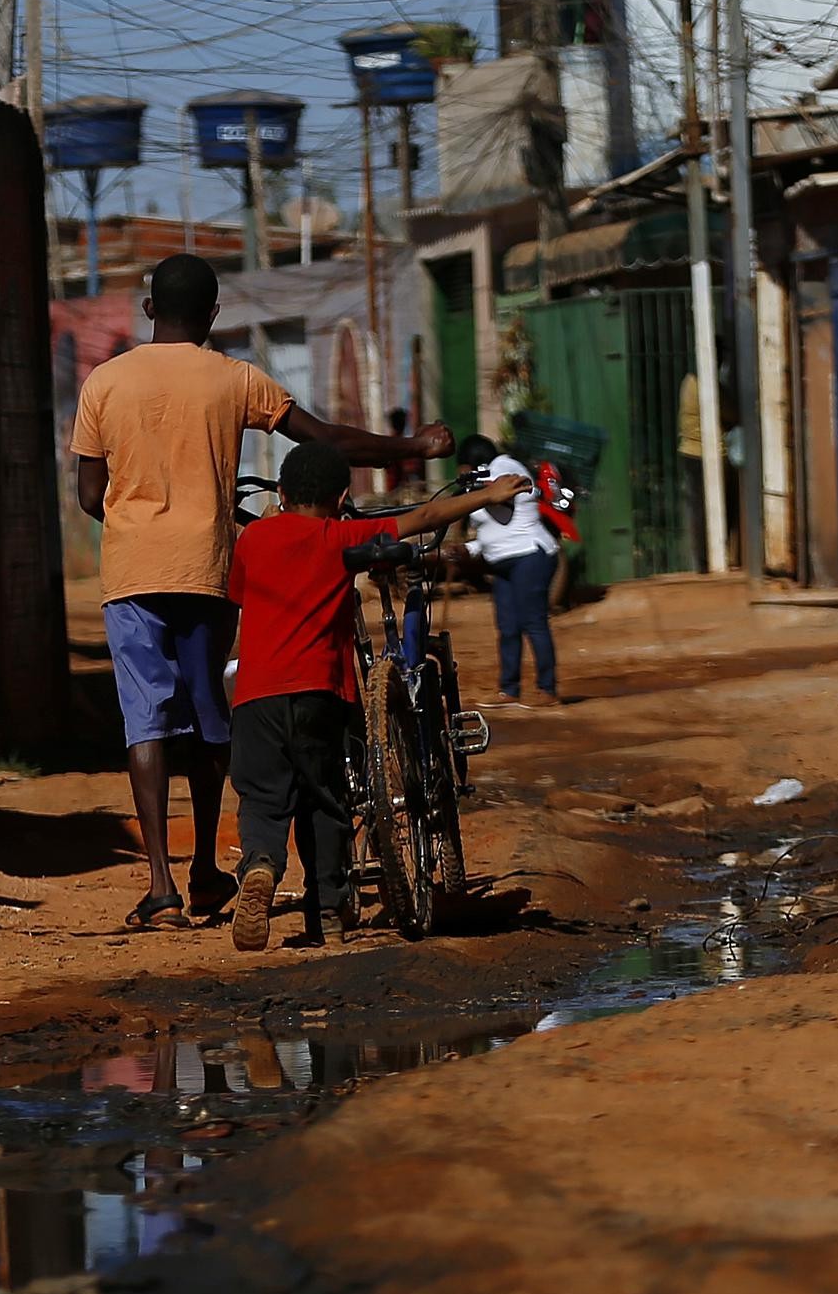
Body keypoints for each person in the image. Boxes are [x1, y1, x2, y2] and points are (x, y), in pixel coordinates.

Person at [71, 254, 449, 930]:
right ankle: (206, 870)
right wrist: (412, 446)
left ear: (150, 309)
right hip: (208, 568)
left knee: (146, 723)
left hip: (131, 575)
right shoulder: (235, 378)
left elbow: (88, 494)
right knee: (208, 718)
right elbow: (324, 441)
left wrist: (136, 523)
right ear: (214, 315)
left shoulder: (104, 382)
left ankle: (161, 890)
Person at [220, 441, 502, 951]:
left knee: (261, 800)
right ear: (341, 498)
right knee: (324, 800)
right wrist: (489, 494)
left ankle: (260, 865)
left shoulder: (253, 539)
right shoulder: (340, 536)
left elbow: (237, 596)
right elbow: (425, 517)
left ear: (281, 492)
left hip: (256, 697)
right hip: (320, 692)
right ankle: (329, 912)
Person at [457, 432, 564, 707]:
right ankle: (509, 689)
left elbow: (505, 491)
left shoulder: (504, 466)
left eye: (464, 467)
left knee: (533, 621)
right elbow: (490, 534)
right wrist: (467, 549)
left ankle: (547, 689)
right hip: (503, 564)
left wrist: (473, 484)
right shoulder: (478, 486)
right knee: (507, 627)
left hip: (529, 555)